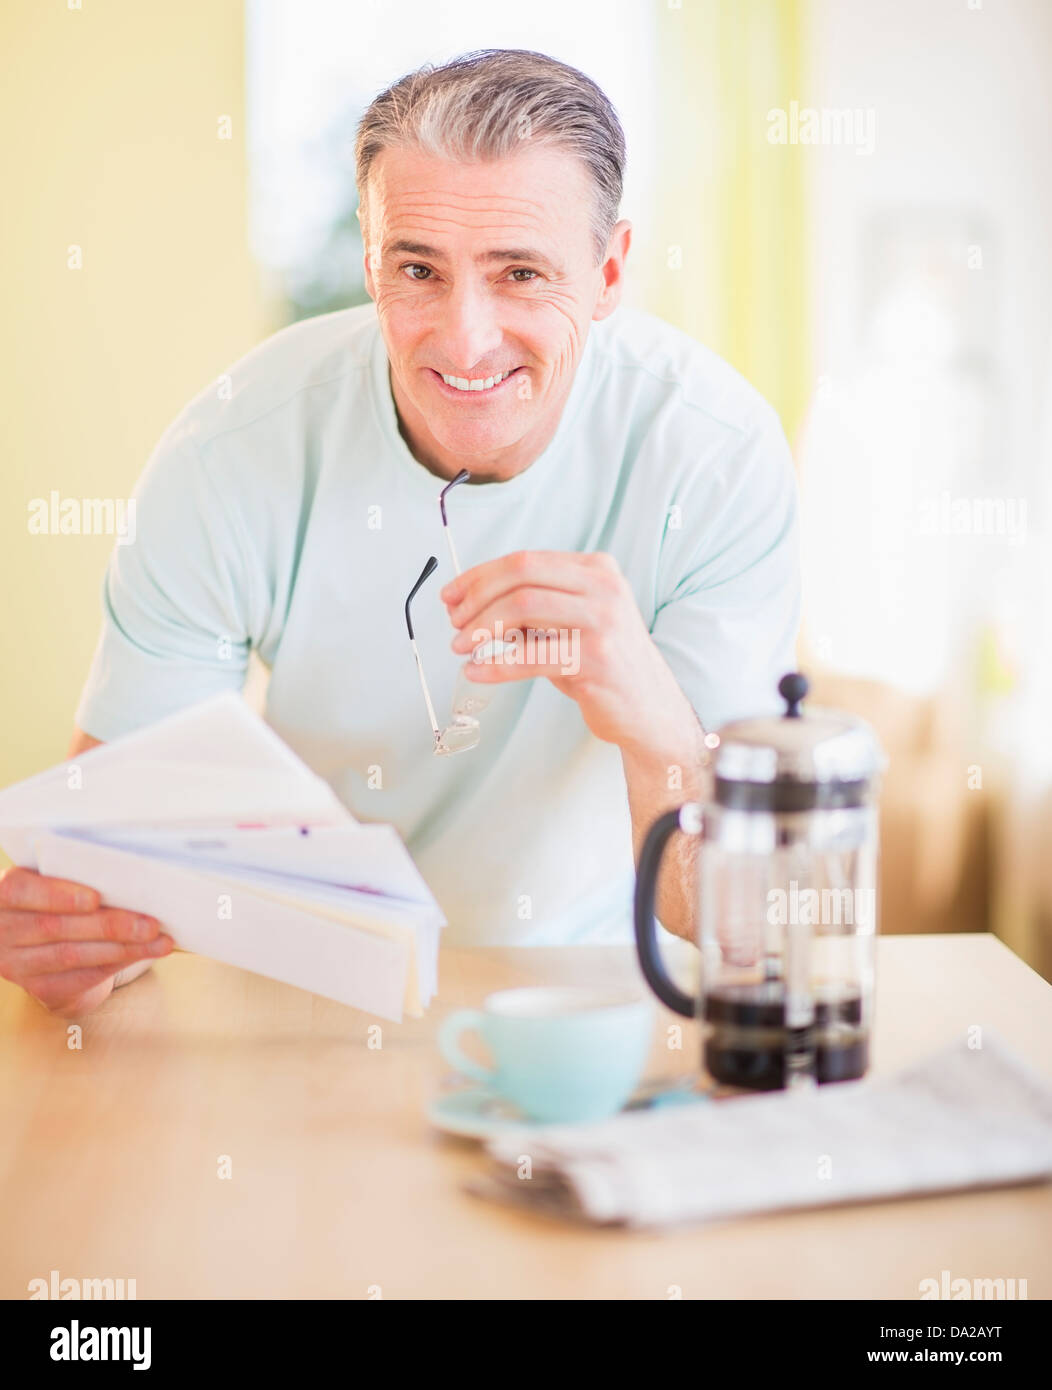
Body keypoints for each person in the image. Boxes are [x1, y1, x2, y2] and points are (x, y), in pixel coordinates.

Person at [0, 48, 800, 1017]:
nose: (464, 340)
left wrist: (648, 711)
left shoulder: (712, 455)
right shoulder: (229, 453)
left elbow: (727, 922)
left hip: (589, 1012)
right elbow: (112, 867)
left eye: (520, 274)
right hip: (302, 1005)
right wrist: (77, 941)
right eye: (417, 269)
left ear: (608, 271)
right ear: (370, 264)